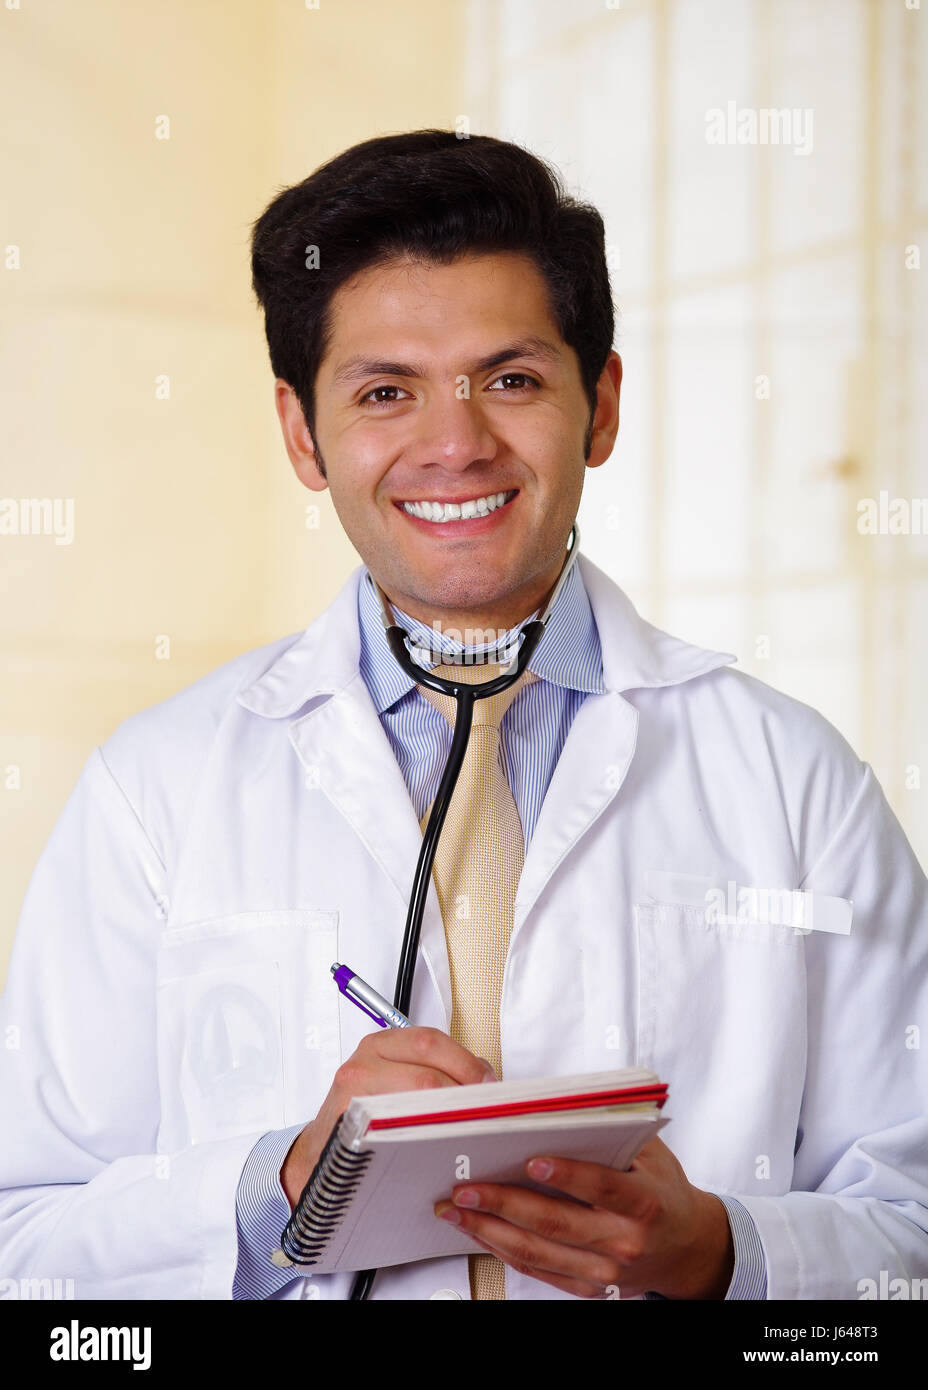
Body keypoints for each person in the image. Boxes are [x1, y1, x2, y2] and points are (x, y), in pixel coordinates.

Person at [1, 129, 926, 1303]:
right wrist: (280, 1185)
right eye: (385, 391)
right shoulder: (156, 789)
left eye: (511, 379)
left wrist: (724, 1256)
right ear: (302, 434)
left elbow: (914, 1225)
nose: (454, 444)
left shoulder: (795, 780)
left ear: (599, 405)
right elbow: (24, 1252)